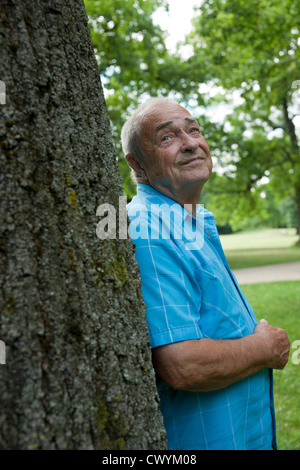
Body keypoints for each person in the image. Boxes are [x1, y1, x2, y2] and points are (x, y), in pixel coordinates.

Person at [121, 97, 290, 450]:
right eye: (167, 138)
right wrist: (262, 348)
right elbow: (182, 364)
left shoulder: (194, 220)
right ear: (137, 164)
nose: (190, 143)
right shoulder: (148, 228)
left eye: (193, 129)